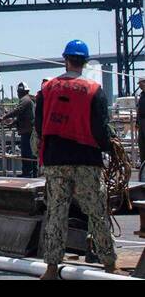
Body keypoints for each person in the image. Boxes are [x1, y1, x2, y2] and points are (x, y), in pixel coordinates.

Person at [33, 39, 118, 278]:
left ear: (65, 59)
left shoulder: (47, 89)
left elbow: (39, 125)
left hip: (55, 159)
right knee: (97, 212)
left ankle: (51, 267)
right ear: (85, 62)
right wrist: (108, 148)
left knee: (57, 213)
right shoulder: (94, 90)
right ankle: (109, 263)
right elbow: (101, 128)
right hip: (86, 159)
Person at [0, 81, 37, 178]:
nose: (18, 94)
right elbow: (21, 116)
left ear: (20, 92)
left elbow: (18, 110)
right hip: (28, 130)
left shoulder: (25, 100)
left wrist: (4, 117)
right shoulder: (28, 100)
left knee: (26, 153)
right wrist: (13, 123)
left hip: (27, 132)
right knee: (30, 153)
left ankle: (27, 173)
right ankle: (32, 173)